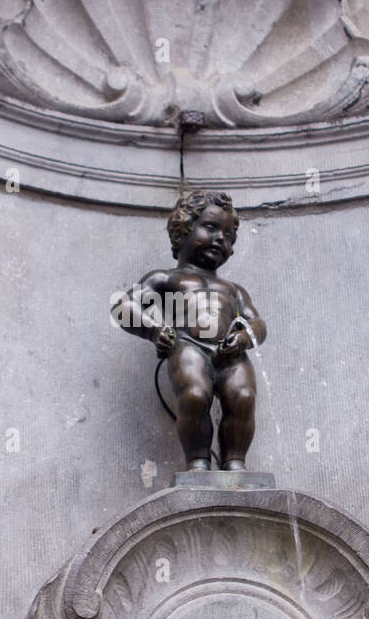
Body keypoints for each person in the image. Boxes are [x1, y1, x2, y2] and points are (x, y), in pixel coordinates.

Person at [112, 190, 266, 470]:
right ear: (183, 228)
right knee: (194, 395)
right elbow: (123, 307)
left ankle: (235, 463)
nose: (221, 238)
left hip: (231, 353)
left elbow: (258, 324)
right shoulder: (167, 279)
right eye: (210, 227)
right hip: (189, 347)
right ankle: (198, 462)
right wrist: (154, 331)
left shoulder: (232, 289)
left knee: (243, 398)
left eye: (229, 235)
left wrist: (244, 338)